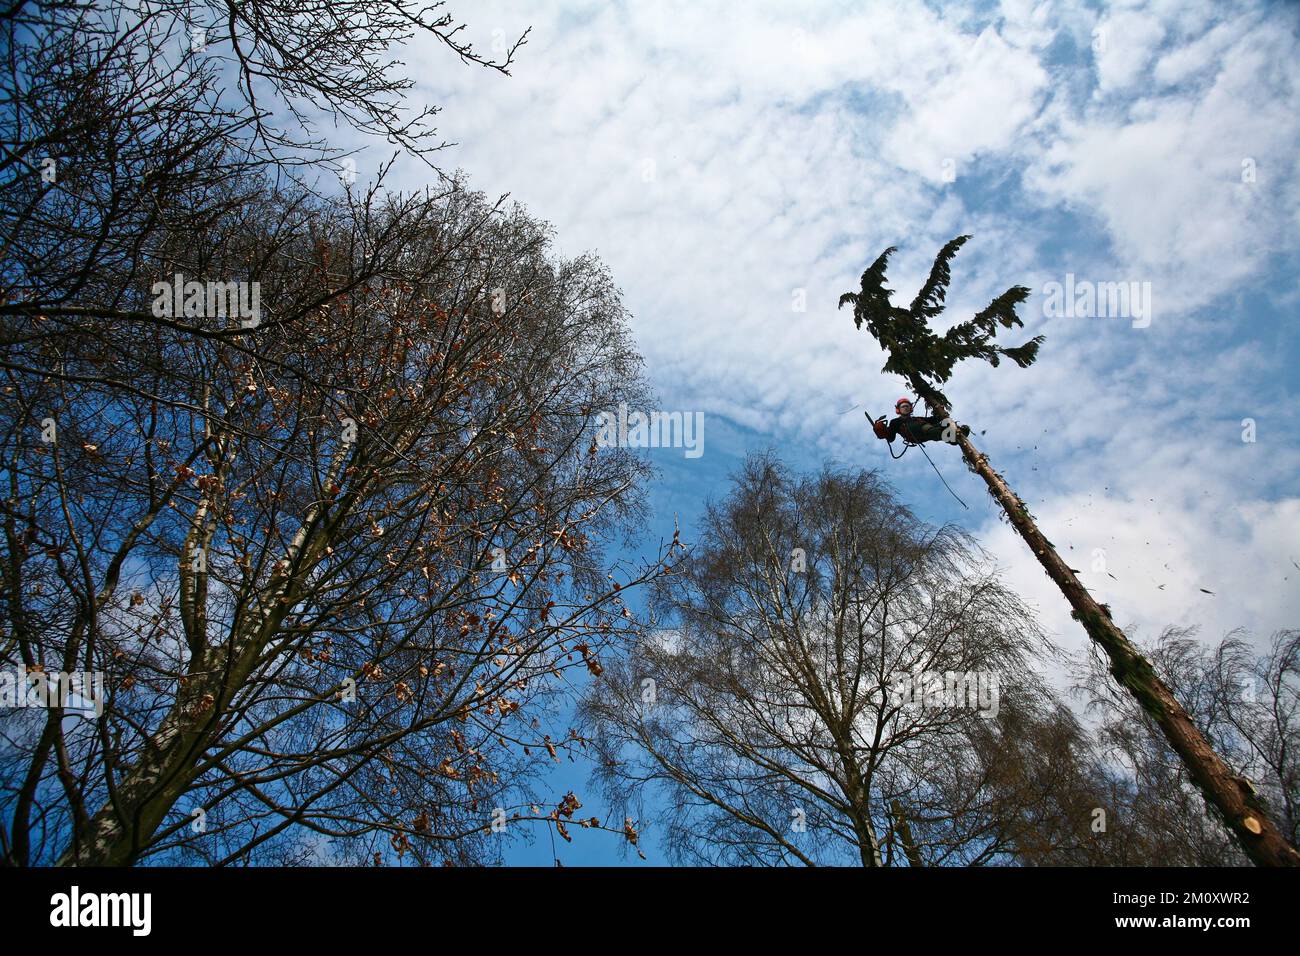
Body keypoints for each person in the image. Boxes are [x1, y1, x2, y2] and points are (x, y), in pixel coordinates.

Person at [870, 397, 970, 445]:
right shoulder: (895, 422)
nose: (906, 408)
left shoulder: (918, 419)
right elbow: (891, 437)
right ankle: (949, 434)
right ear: (898, 409)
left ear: (911, 408)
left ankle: (953, 434)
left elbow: (932, 420)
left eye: (907, 406)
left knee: (935, 427)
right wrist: (882, 432)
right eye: (903, 407)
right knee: (927, 429)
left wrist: (939, 413)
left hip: (924, 431)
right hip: (912, 433)